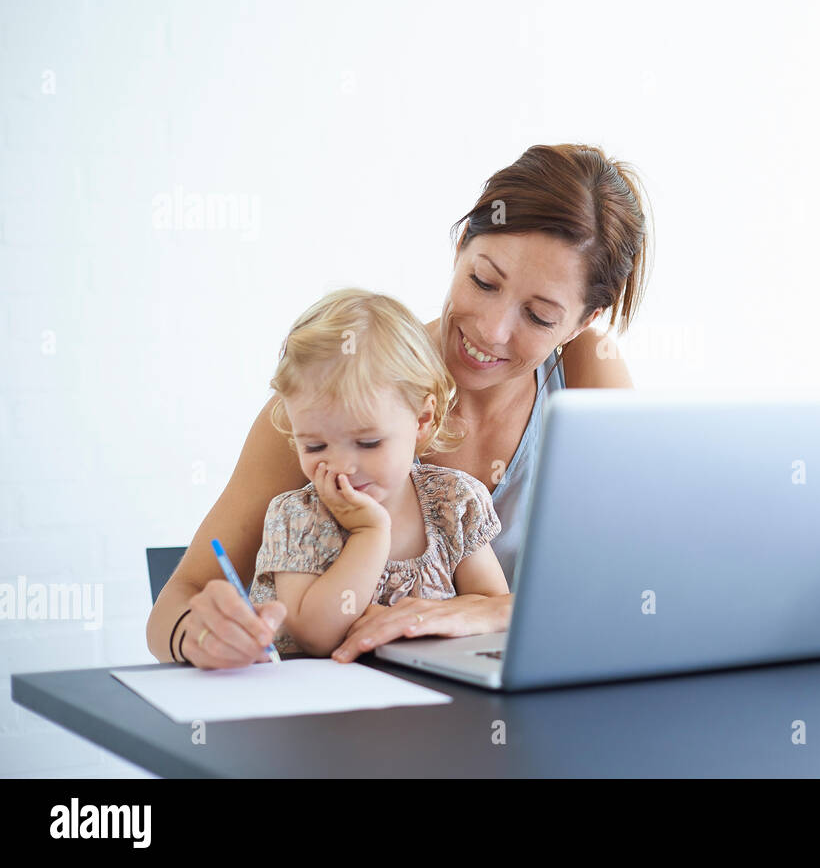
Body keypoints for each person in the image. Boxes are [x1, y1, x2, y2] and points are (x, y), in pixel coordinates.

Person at [146, 143, 652, 668]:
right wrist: (199, 633)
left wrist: (490, 612)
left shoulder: (585, 372)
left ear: (584, 321)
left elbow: (642, 593)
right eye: (483, 281)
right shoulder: (338, 394)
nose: (491, 329)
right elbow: (171, 609)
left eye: (540, 316)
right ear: (461, 246)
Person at [231, 287, 510, 660]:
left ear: (422, 421)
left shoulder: (452, 503)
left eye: (368, 443)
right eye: (314, 446)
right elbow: (316, 635)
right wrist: (370, 533)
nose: (342, 466)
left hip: (430, 696)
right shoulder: (299, 518)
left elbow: (494, 610)